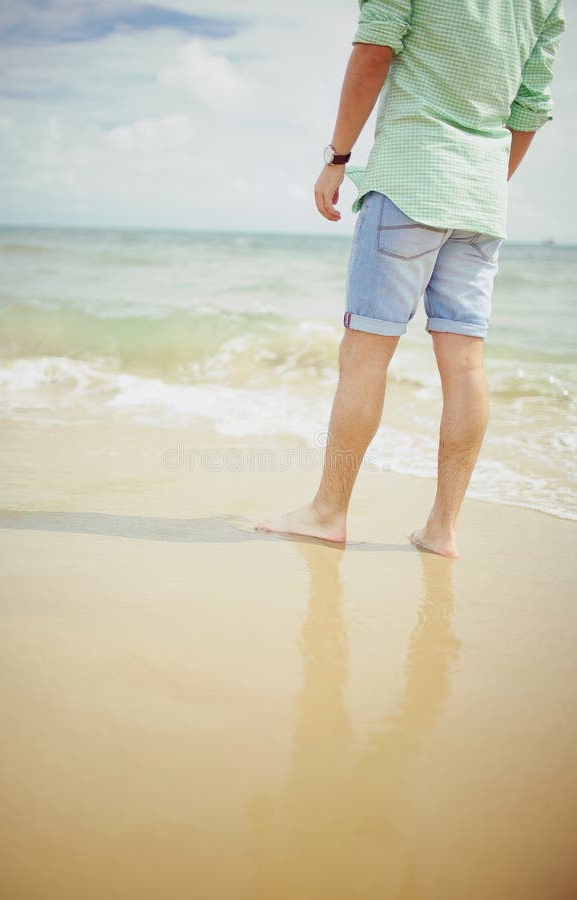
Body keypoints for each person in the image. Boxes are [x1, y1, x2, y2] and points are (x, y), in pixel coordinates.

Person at [256, 0, 565, 556]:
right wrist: (481, 182)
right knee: (467, 363)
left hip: (410, 180)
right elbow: (530, 105)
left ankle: (328, 512)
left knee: (366, 354)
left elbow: (375, 50)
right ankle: (442, 529)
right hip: (482, 199)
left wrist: (337, 156)